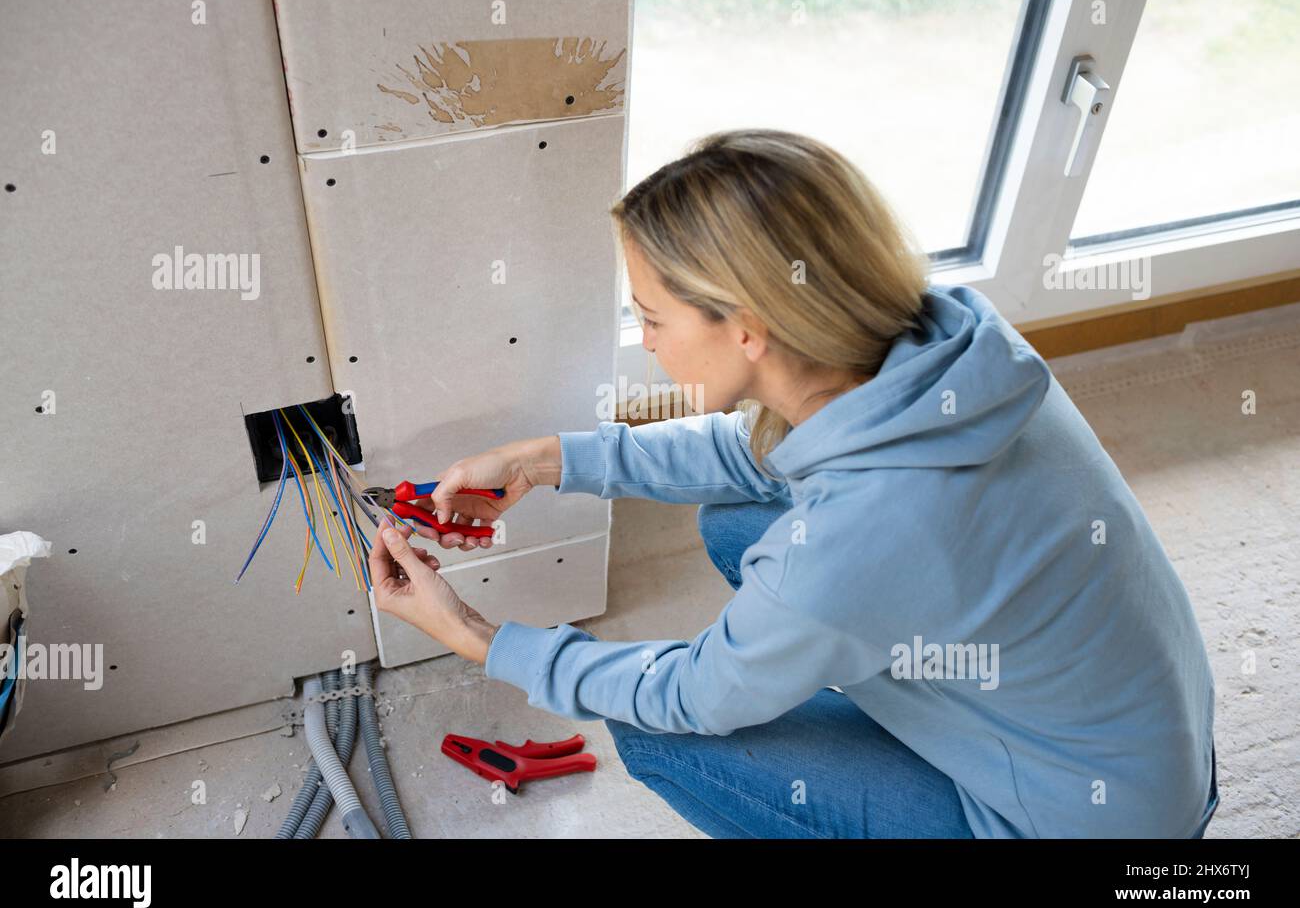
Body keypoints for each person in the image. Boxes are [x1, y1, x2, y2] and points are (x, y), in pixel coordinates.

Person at [368, 129, 1219, 839]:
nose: (647, 341)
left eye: (653, 318)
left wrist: (478, 634)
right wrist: (546, 460)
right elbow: (758, 453)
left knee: (660, 732)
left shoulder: (870, 529)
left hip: (1077, 824)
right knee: (741, 523)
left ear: (748, 331)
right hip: (1132, 746)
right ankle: (827, 666)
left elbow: (690, 696)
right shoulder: (947, 353)